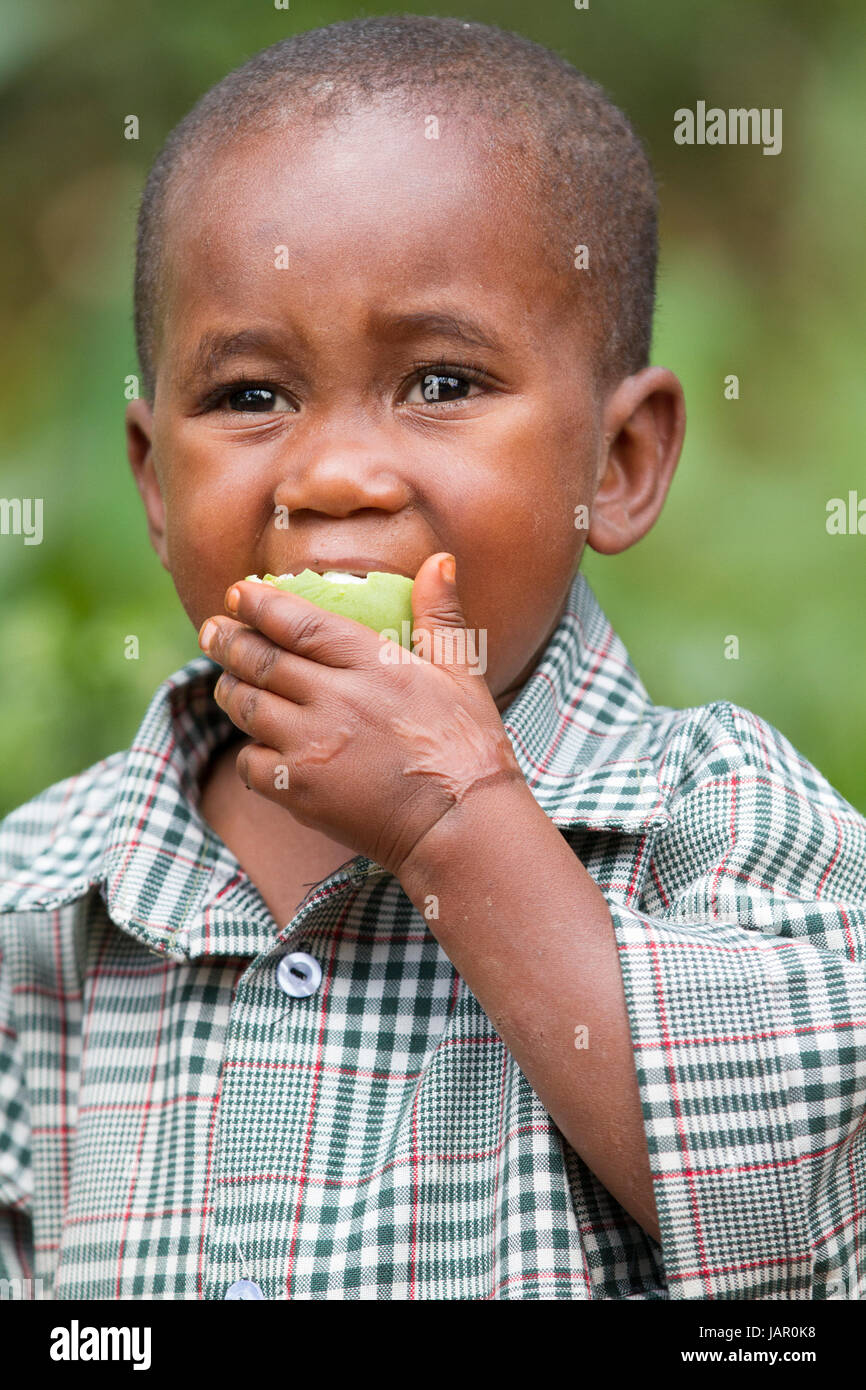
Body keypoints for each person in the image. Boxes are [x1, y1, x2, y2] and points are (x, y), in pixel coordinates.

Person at [1, 14, 864, 1301]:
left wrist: (458, 824)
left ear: (616, 465)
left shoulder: (724, 823)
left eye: (441, 381)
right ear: (154, 485)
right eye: (250, 395)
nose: (335, 472)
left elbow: (797, 1219)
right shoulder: (44, 902)